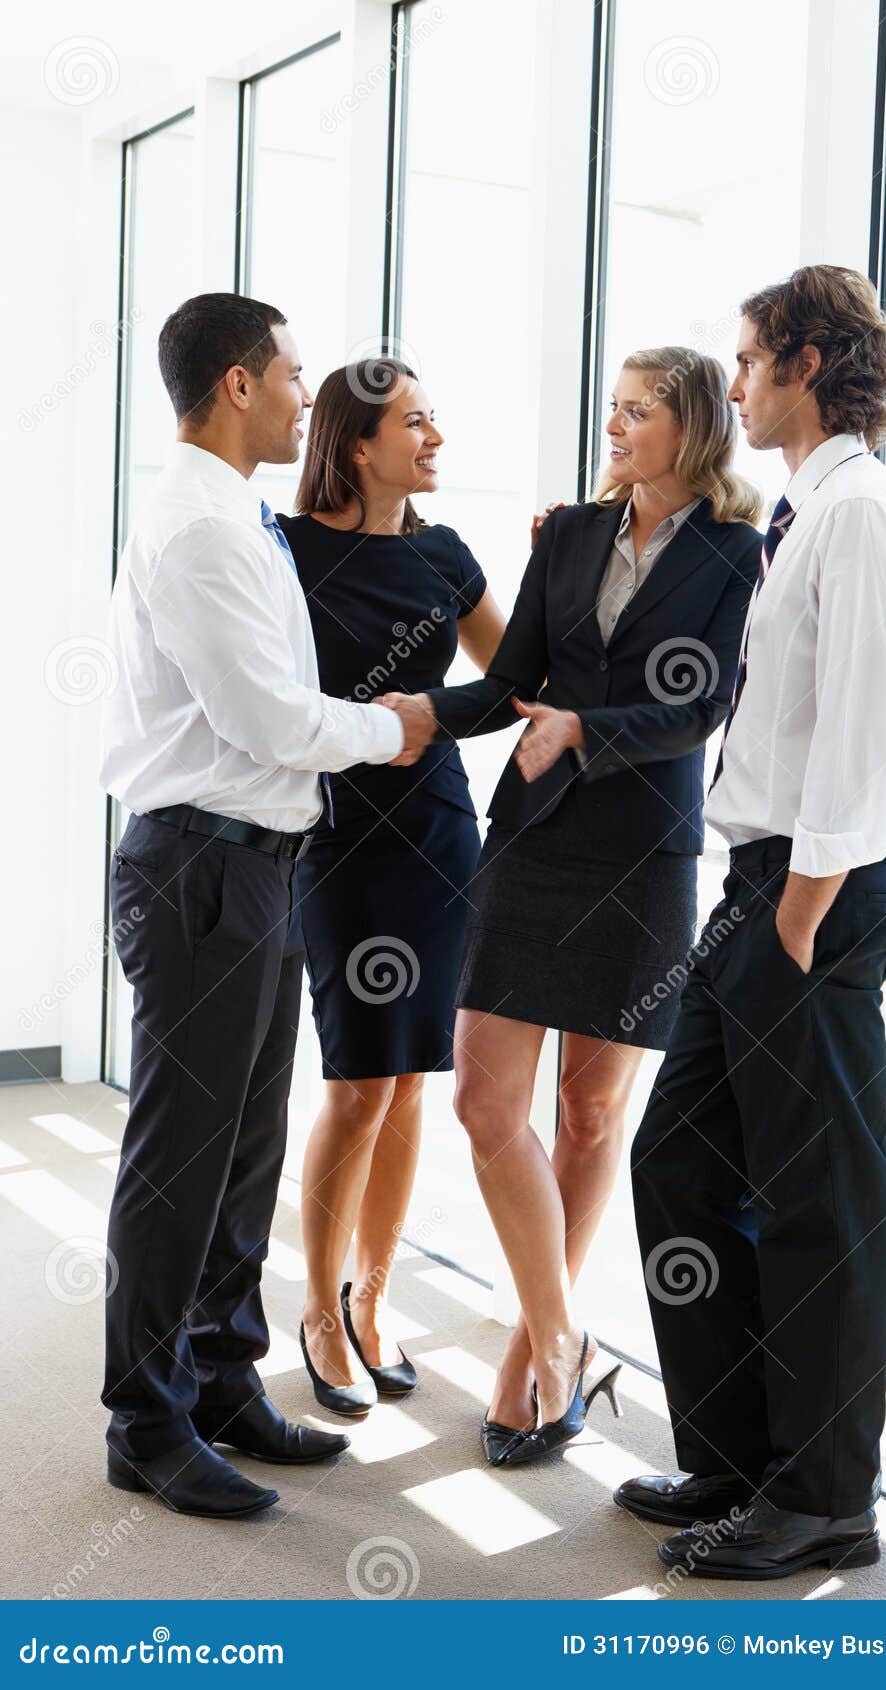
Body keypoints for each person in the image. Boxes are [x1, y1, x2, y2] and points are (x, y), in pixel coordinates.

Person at [619, 266, 886, 1579]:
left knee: (820, 1202)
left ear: (807, 362)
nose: (736, 382)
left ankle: (821, 1496)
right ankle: (739, 1453)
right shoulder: (800, 517)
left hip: (809, 893)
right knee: (682, 1164)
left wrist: (800, 912)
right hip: (755, 891)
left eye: (749, 360)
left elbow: (867, 735)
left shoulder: (862, 514)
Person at [387, 347, 763, 1466]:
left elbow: (700, 708)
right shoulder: (568, 535)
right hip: (537, 841)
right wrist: (415, 714)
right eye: (612, 409)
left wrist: (589, 729)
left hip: (642, 852)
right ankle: (562, 1330)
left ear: (689, 428)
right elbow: (513, 681)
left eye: (635, 412)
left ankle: (529, 1363)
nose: (614, 427)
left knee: (592, 1115)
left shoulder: (739, 554)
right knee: (485, 1102)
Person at [98, 293, 432, 1519]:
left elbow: (275, 708)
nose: (306, 395)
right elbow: (268, 720)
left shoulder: (234, 516)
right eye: (291, 375)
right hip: (203, 869)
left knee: (242, 1145)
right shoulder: (196, 530)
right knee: (180, 1155)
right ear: (237, 386)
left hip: (254, 865)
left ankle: (221, 1378)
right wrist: (392, 728)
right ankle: (145, 1416)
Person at [279, 360, 506, 1415]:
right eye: (415, 423)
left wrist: (423, 714)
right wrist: (379, 726)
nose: (436, 438)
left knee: (410, 1074)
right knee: (356, 1080)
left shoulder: (443, 553)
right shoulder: (285, 552)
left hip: (438, 837)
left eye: (435, 417)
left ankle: (372, 1298)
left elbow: (514, 684)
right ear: (357, 445)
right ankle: (318, 1309)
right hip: (332, 838)